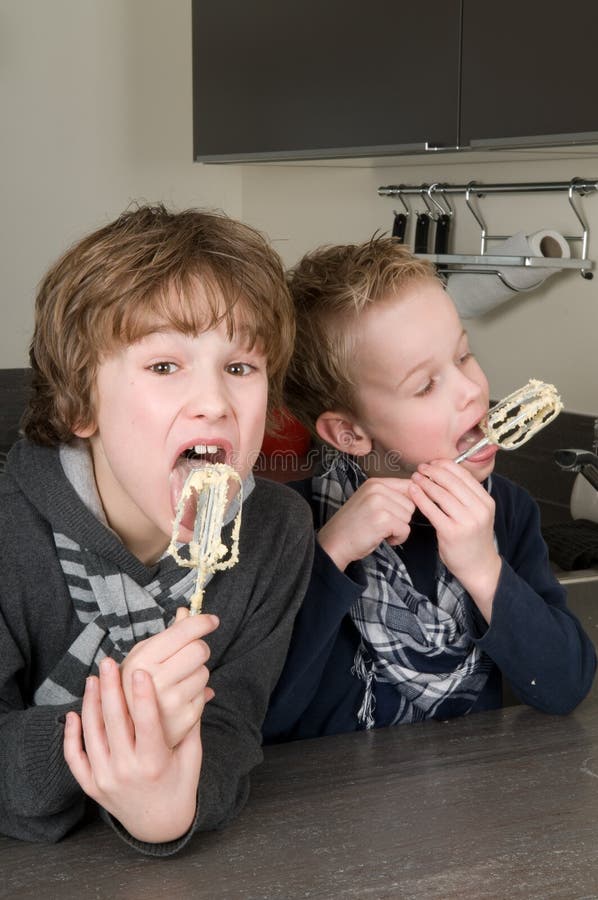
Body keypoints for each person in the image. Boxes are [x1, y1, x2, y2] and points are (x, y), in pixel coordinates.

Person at [0, 204, 313, 854]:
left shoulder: (276, 532)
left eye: (240, 367)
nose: (214, 402)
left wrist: (170, 812)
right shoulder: (8, 533)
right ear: (78, 405)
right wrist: (116, 721)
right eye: (165, 366)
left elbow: (229, 724)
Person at [262, 236, 596, 743]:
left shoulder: (505, 512)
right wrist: (329, 556)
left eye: (464, 357)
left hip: (471, 807)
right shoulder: (289, 524)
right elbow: (263, 719)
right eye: (425, 386)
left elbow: (563, 686)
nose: (471, 390)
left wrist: (484, 569)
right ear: (349, 433)